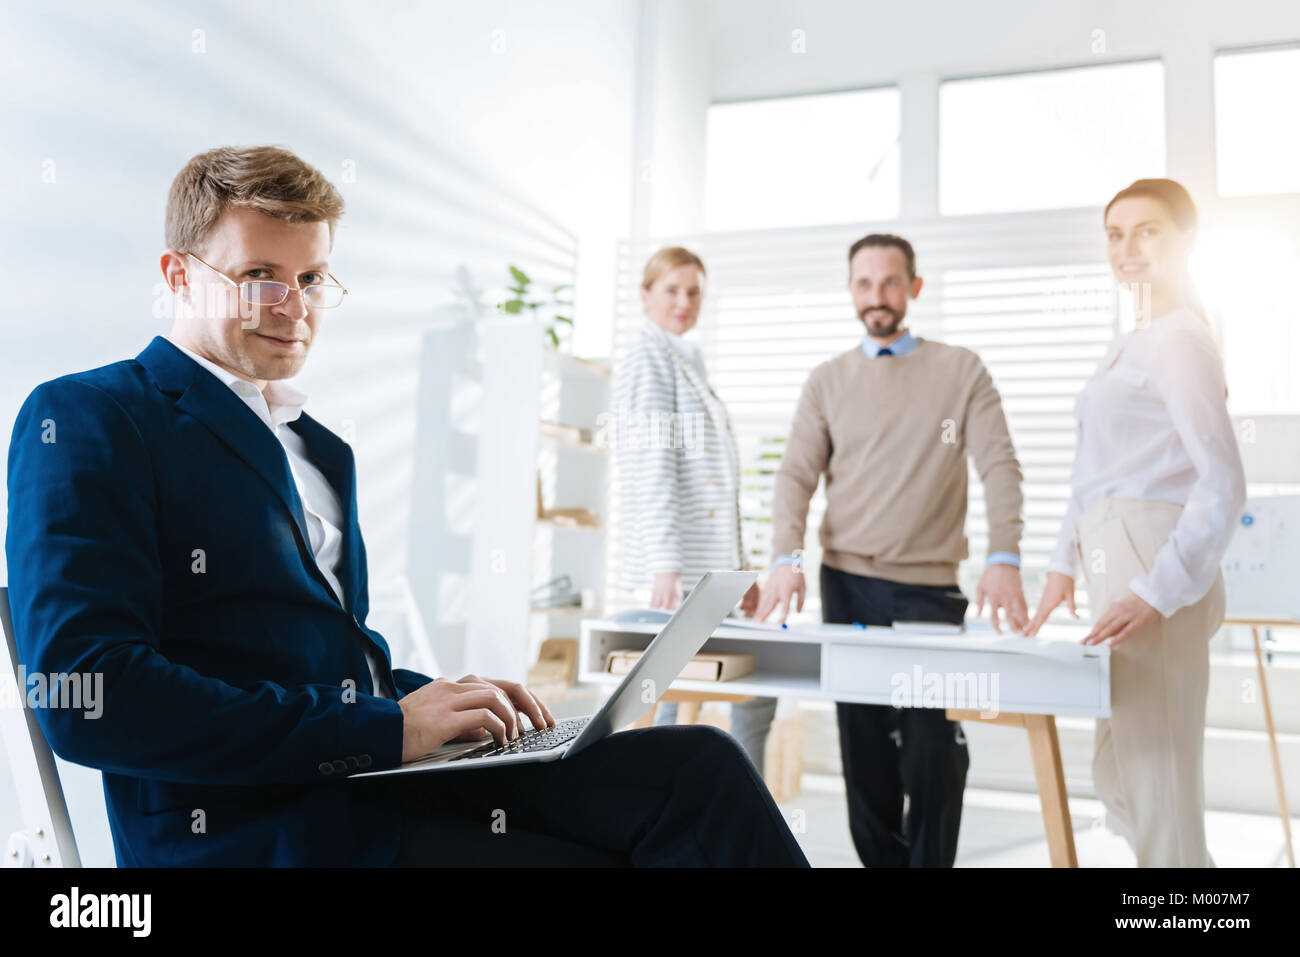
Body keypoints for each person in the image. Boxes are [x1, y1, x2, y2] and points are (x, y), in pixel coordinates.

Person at [4, 145, 809, 868]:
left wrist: (456, 703)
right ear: (177, 276)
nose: (295, 304)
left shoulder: (320, 446)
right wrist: (386, 728)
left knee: (694, 766)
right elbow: (91, 694)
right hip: (250, 829)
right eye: (259, 277)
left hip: (373, 782)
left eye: (313, 278)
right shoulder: (90, 417)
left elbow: (325, 660)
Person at [755, 233, 1028, 867]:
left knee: (933, 748)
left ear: (914, 287)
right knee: (865, 745)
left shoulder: (961, 370)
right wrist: (784, 559)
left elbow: (1000, 466)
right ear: (851, 290)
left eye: (890, 282)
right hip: (847, 583)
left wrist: (1004, 557)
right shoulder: (828, 381)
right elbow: (795, 475)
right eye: (864, 283)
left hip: (930, 591)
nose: (876, 296)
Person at [1024, 178, 1246, 868]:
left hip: (1151, 561)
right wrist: (1063, 562)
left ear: (1184, 241)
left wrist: (1155, 589)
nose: (1127, 248)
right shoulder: (1135, 340)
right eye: (1115, 234)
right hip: (1110, 554)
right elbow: (1095, 472)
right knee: (1120, 773)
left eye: (1147, 231)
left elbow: (1222, 482)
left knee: (1158, 783)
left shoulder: (1181, 341)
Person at [609, 247, 778, 775]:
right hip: (678, 574)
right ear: (645, 295)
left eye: (694, 292)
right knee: (673, 698)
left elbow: (721, 486)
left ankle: (723, 810)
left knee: (722, 692)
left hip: (707, 572)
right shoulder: (649, 359)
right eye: (671, 290)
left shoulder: (687, 361)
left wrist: (739, 568)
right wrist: (665, 562)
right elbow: (651, 463)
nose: (684, 302)